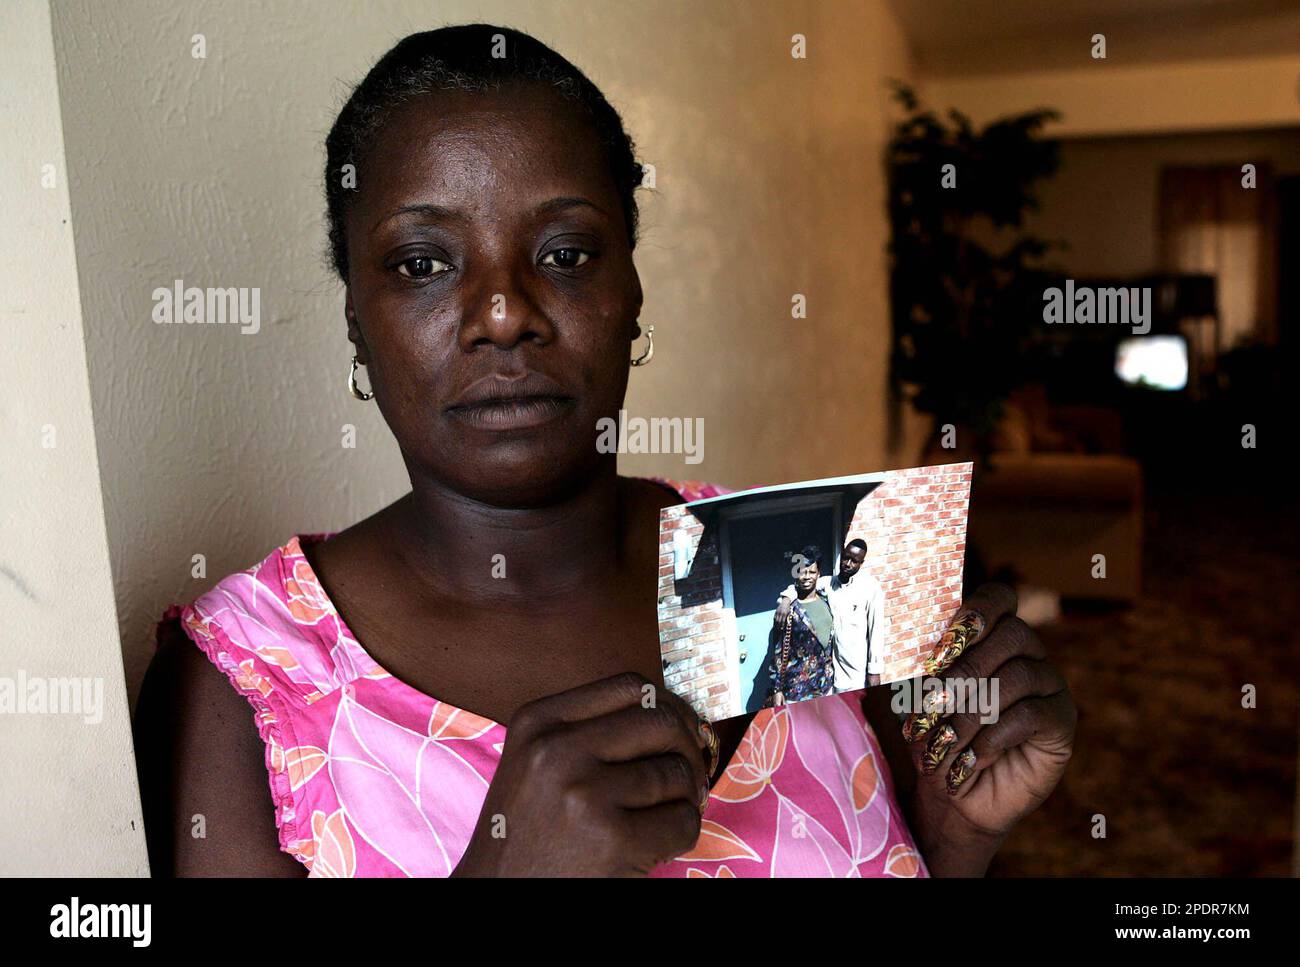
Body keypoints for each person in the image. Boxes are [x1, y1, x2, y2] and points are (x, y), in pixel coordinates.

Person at [134, 24, 1075, 878]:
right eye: (423, 262)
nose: (504, 314)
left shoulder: (799, 562)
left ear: (631, 294)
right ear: (356, 321)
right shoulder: (243, 680)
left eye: (566, 253)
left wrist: (953, 837)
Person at [778, 538, 886, 690]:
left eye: (854, 561)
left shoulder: (870, 589)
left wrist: (874, 671)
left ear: (861, 563)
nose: (848, 564)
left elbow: (877, 631)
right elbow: (802, 585)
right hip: (828, 671)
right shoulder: (828, 584)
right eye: (846, 557)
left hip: (854, 671)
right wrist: (786, 600)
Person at [767, 547, 838, 707]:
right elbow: (777, 651)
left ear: (819, 574)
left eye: (812, 572)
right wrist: (777, 689)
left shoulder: (826, 599)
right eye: (801, 572)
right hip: (796, 690)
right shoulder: (788, 609)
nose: (806, 577)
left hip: (825, 684)